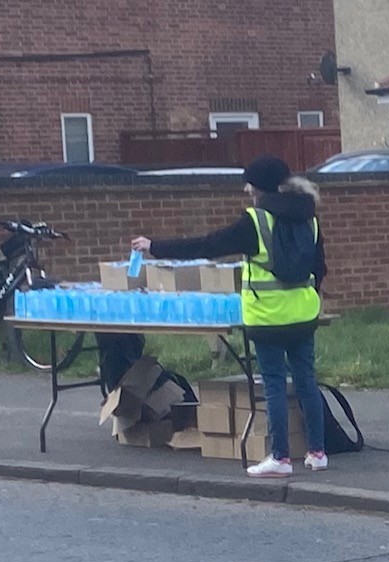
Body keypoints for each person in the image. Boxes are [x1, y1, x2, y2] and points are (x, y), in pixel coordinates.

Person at [132, 155, 328, 478]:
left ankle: (280, 457)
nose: (246, 189)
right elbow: (319, 266)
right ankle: (317, 452)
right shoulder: (310, 218)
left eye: (249, 183)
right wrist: (311, 295)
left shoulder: (255, 221)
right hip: (304, 314)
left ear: (260, 187)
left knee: (275, 384)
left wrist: (156, 246)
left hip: (266, 316)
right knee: (307, 380)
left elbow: (209, 245)